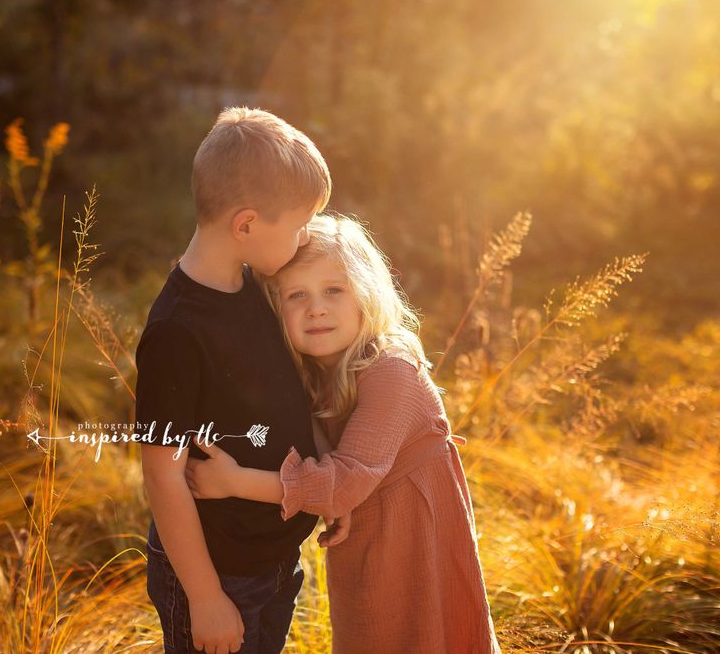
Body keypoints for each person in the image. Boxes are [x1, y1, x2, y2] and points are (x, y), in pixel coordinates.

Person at [185, 213, 503, 653]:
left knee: (422, 637)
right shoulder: (312, 372)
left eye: (334, 290)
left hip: (415, 540)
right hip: (368, 540)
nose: (316, 308)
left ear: (366, 296)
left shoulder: (392, 370)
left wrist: (236, 482)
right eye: (297, 295)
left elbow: (344, 483)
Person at [135, 106, 333, 654]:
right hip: (217, 575)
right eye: (298, 225)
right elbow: (163, 476)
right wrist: (204, 598)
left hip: (274, 558)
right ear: (245, 225)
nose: (304, 237)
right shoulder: (177, 332)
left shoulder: (256, 288)